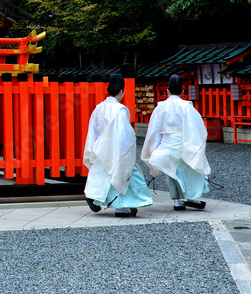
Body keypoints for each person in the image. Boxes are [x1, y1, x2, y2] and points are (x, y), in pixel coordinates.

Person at [83, 74, 153, 217]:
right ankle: (122, 206)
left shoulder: (99, 108)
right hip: (115, 149)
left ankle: (95, 199)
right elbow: (124, 135)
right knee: (122, 174)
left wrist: (93, 148)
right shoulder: (120, 110)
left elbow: (92, 131)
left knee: (102, 175)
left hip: (101, 149)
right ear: (121, 91)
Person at [141, 74, 210, 210]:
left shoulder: (160, 107)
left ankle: (177, 201)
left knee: (171, 173)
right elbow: (196, 129)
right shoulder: (186, 107)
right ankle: (190, 197)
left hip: (167, 143)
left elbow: (154, 131)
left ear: (167, 91)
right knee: (189, 170)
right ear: (182, 92)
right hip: (184, 143)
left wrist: (152, 148)